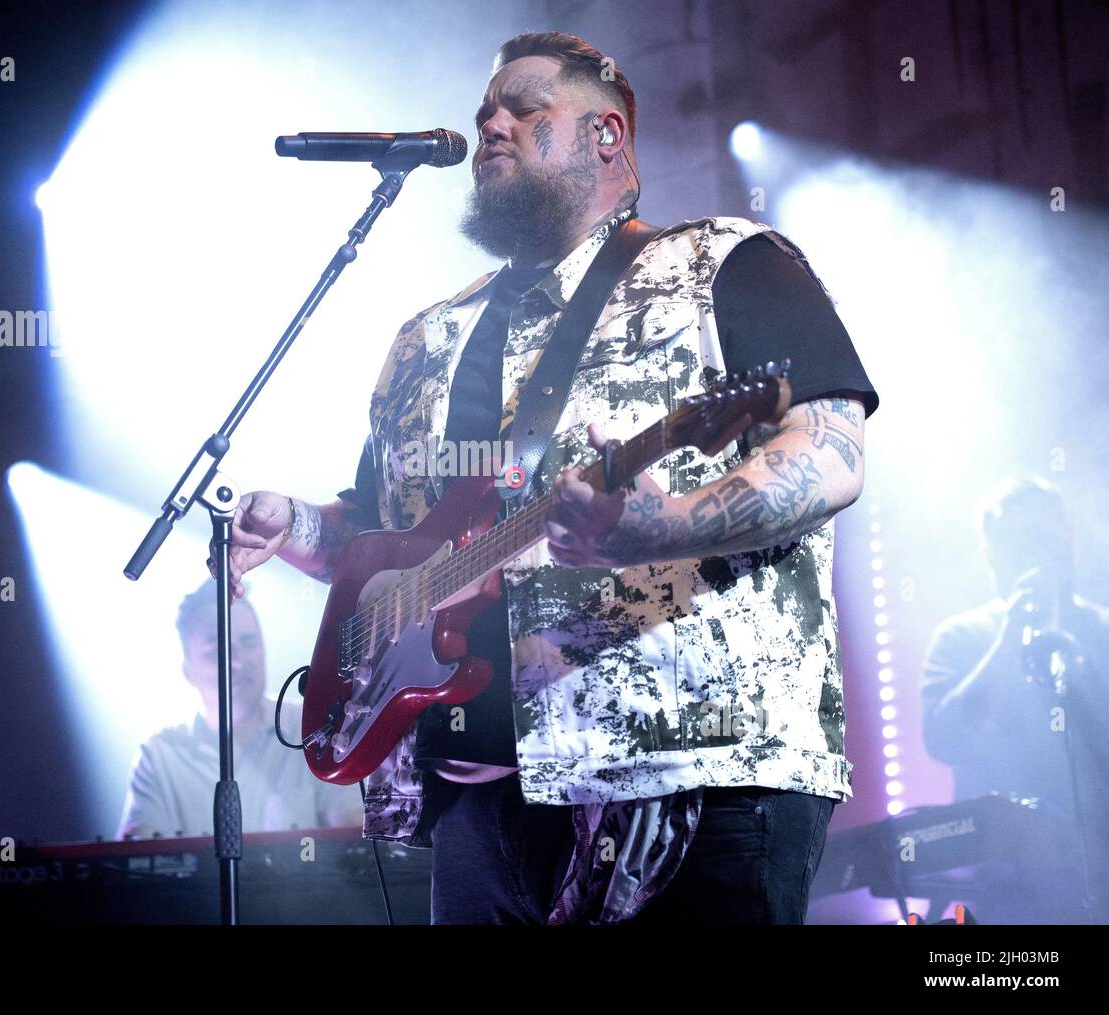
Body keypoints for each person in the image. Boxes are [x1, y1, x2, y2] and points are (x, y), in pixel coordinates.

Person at [211, 31, 878, 924]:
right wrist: (289, 524)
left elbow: (831, 452)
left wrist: (666, 525)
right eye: (485, 110)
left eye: (525, 110)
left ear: (608, 135)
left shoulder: (724, 262)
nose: (490, 122)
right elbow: (383, 538)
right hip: (475, 809)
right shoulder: (425, 338)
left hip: (695, 770)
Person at [920, 476, 1109, 921]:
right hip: (1007, 878)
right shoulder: (962, 637)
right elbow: (943, 739)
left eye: (1040, 537)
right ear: (990, 555)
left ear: (1069, 543)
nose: (1032, 553)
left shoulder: (1104, 632)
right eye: (1015, 542)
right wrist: (1010, 641)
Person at [117, 580, 362, 838]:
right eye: (218, 650)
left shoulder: (314, 727)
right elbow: (134, 862)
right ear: (188, 671)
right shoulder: (159, 755)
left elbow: (355, 844)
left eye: (248, 643)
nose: (237, 661)